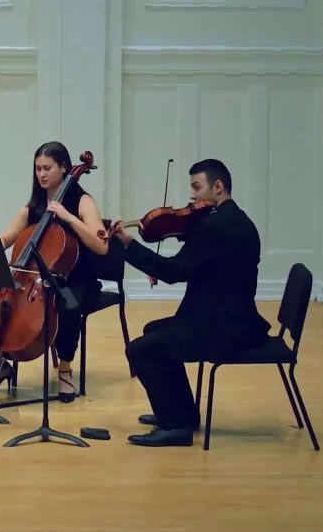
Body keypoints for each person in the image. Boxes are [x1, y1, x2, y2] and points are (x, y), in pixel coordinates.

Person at [112, 158, 269, 446]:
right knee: (152, 331)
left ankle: (176, 428)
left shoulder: (215, 227)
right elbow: (199, 263)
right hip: (235, 318)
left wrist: (129, 245)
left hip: (223, 328)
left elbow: (175, 272)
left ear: (218, 186)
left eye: (197, 187)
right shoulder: (237, 221)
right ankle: (181, 412)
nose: (192, 196)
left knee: (139, 350)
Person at [0, 142, 109, 402]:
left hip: (75, 279)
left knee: (67, 305)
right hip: (34, 280)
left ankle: (65, 371)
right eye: (38, 169)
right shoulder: (35, 205)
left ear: (64, 168)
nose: (42, 174)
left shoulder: (82, 201)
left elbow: (101, 245)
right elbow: (8, 237)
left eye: (47, 168)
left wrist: (70, 218)